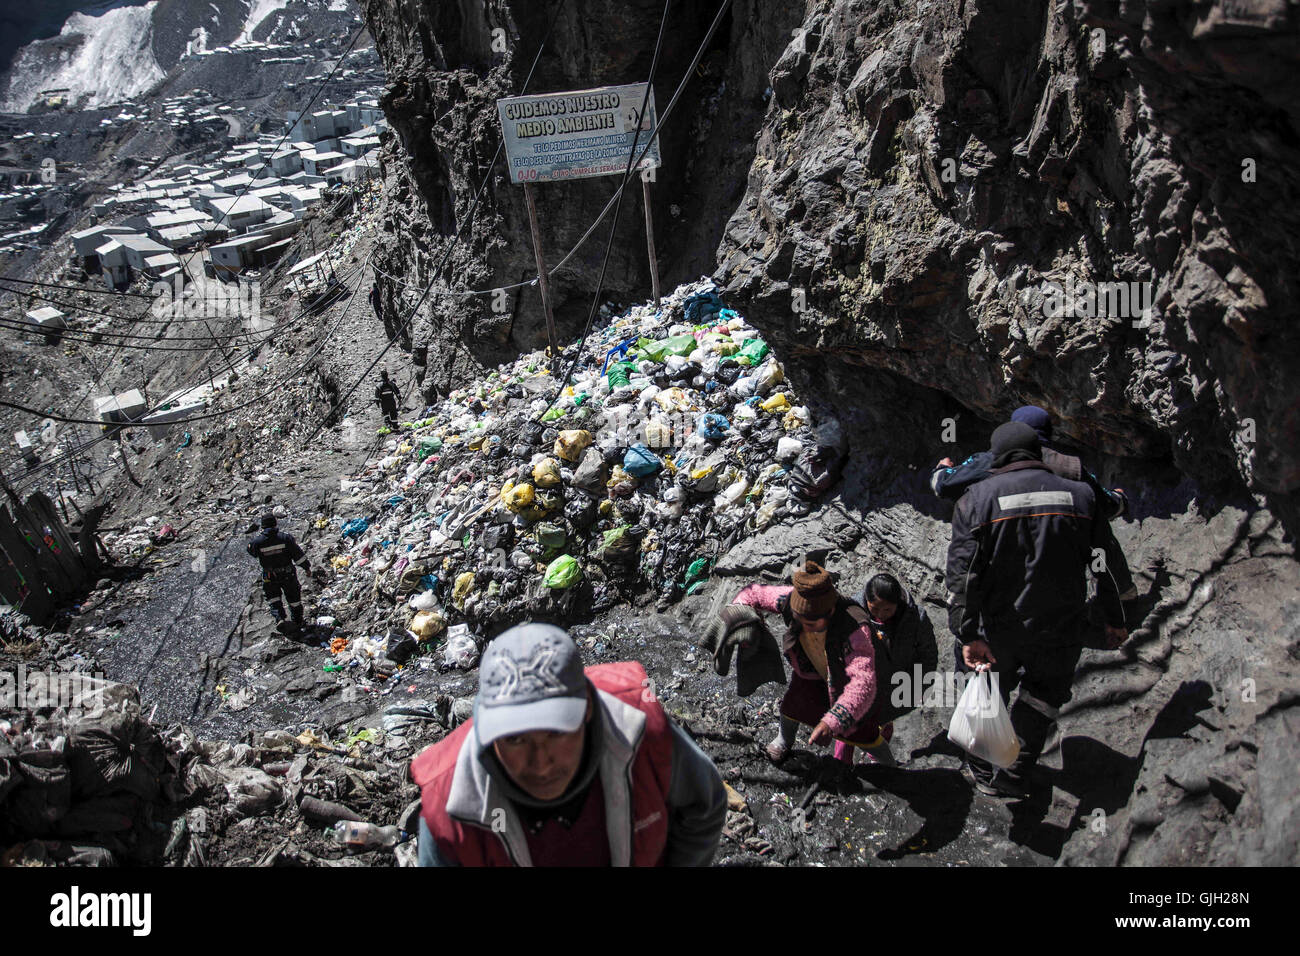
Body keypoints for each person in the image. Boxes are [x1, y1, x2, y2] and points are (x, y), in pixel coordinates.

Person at [410, 623, 726, 867]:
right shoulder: (450, 805)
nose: (541, 762)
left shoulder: (638, 730)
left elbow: (705, 806)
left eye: (556, 733)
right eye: (515, 739)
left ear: (588, 709)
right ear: (485, 734)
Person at [946, 421, 1127, 798]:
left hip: (1000, 626)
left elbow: (963, 576)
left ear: (998, 456)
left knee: (987, 691)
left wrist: (968, 634)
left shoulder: (975, 499)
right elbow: (1102, 564)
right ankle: (1013, 774)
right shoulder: (1081, 496)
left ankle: (983, 773)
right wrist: (1114, 618)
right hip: (1063, 624)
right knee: (1042, 697)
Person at [931, 404, 1136, 601]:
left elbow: (943, 485)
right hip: (1060, 568)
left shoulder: (988, 461)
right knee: (1097, 528)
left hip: (1003, 563)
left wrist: (941, 469)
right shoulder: (1069, 466)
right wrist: (1120, 499)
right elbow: (1104, 504)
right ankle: (1123, 594)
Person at [730, 560, 893, 767]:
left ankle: (890, 767)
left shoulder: (855, 629)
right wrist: (736, 612)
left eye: (811, 623)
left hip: (845, 681)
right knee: (792, 705)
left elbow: (863, 684)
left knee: (863, 733)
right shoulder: (791, 599)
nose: (805, 627)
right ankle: (784, 741)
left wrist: (832, 721)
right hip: (811, 671)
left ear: (830, 613)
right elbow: (754, 593)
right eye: (801, 620)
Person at [856, 572, 938, 729]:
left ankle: (878, 752)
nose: (881, 614)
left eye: (887, 610)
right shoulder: (853, 611)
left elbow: (927, 655)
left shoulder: (915, 618)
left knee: (883, 726)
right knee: (850, 729)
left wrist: (920, 687)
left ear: (897, 603)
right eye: (875, 608)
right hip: (859, 684)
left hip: (895, 685)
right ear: (867, 601)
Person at [246, 513, 310, 627]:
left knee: (273, 598)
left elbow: (251, 551)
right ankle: (298, 620)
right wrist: (307, 568)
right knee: (294, 598)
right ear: (275, 524)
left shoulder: (257, 542)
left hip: (269, 574)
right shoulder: (285, 538)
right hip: (287, 573)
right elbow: (298, 556)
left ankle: (280, 618)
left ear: (263, 526)